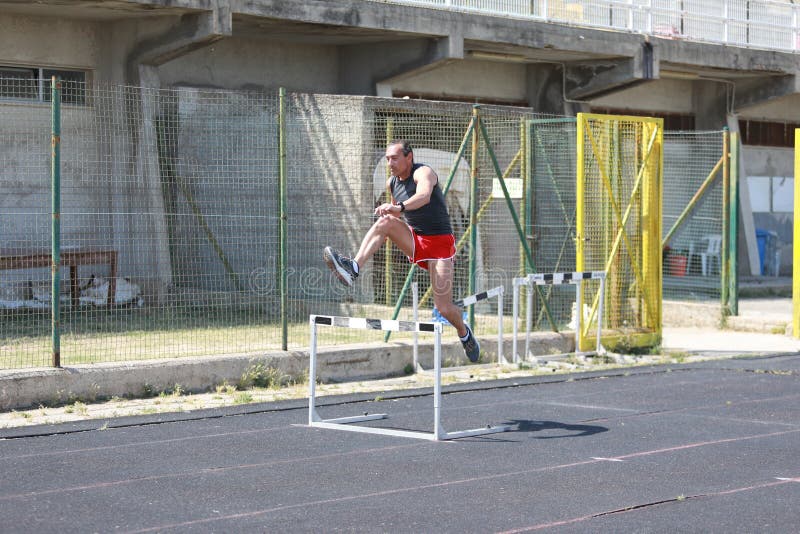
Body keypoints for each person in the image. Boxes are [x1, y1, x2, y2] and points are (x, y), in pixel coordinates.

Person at [323, 140, 480, 362]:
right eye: (387, 159)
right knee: (385, 222)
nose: (390, 163)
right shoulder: (392, 183)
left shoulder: (423, 173)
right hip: (416, 240)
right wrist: (389, 213)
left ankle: (464, 333)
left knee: (444, 308)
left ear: (409, 157)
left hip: (440, 246)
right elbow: (396, 214)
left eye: (395, 158)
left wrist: (398, 207)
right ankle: (353, 268)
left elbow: (423, 197)